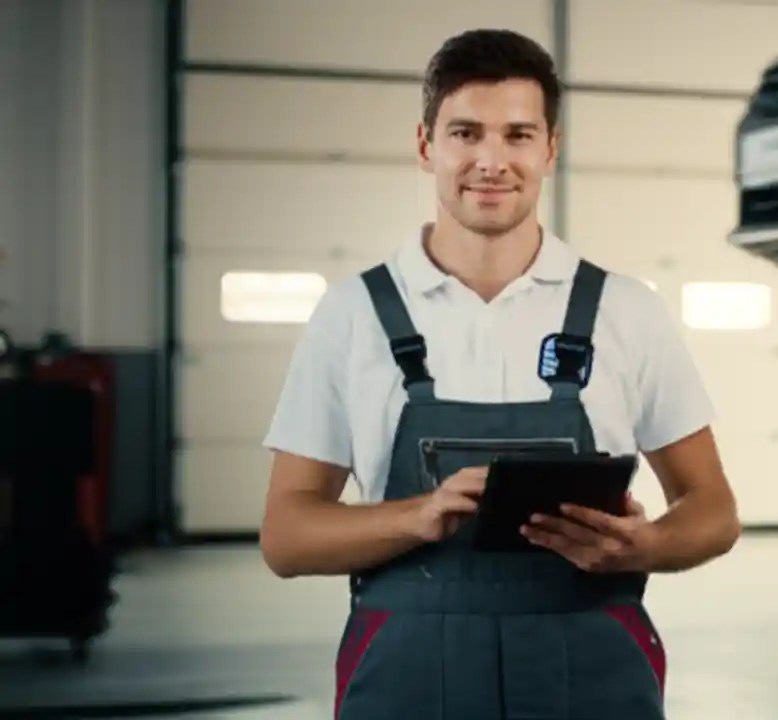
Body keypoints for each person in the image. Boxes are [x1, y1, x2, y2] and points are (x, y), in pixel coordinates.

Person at [258, 28, 742, 720]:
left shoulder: (628, 312)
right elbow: (286, 536)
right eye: (465, 133)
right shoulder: (353, 315)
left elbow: (714, 510)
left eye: (517, 135)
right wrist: (417, 517)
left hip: (593, 673)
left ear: (551, 148)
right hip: (410, 677)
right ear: (426, 146)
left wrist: (651, 544)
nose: (491, 161)